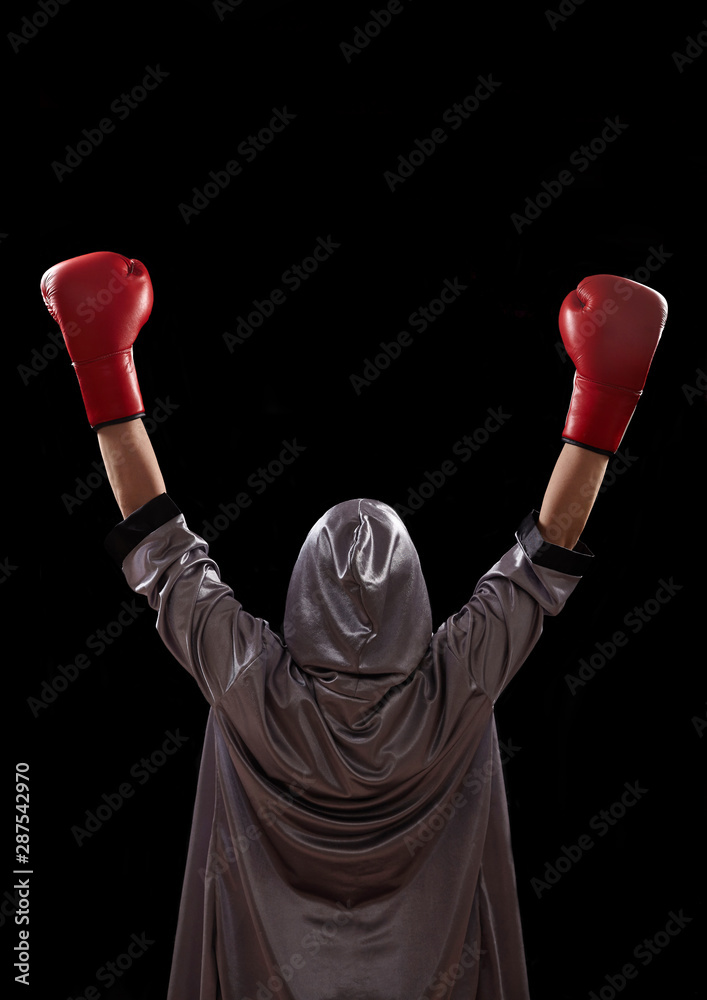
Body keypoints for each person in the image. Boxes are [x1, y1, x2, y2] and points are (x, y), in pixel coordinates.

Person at [40, 252, 667, 1000]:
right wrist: (604, 393)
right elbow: (545, 556)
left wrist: (102, 362)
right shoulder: (456, 682)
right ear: (415, 589)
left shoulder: (249, 680)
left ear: (302, 586)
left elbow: (159, 542)